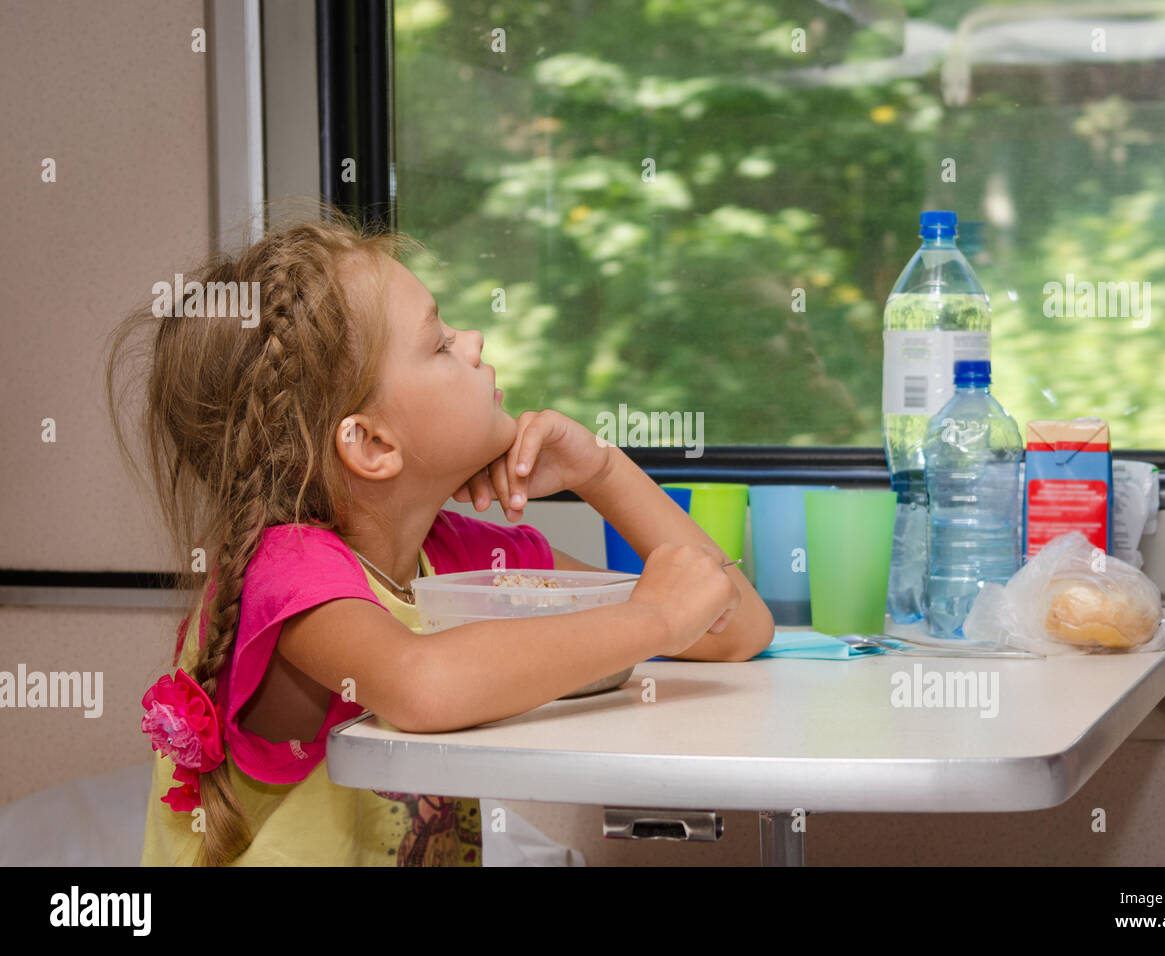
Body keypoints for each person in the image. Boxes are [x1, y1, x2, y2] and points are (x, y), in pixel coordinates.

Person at [106, 203, 775, 866]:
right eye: (440, 343)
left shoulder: (457, 556)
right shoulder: (287, 570)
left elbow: (737, 627)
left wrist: (600, 470)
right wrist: (653, 618)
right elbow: (422, 687)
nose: (475, 340)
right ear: (370, 443)